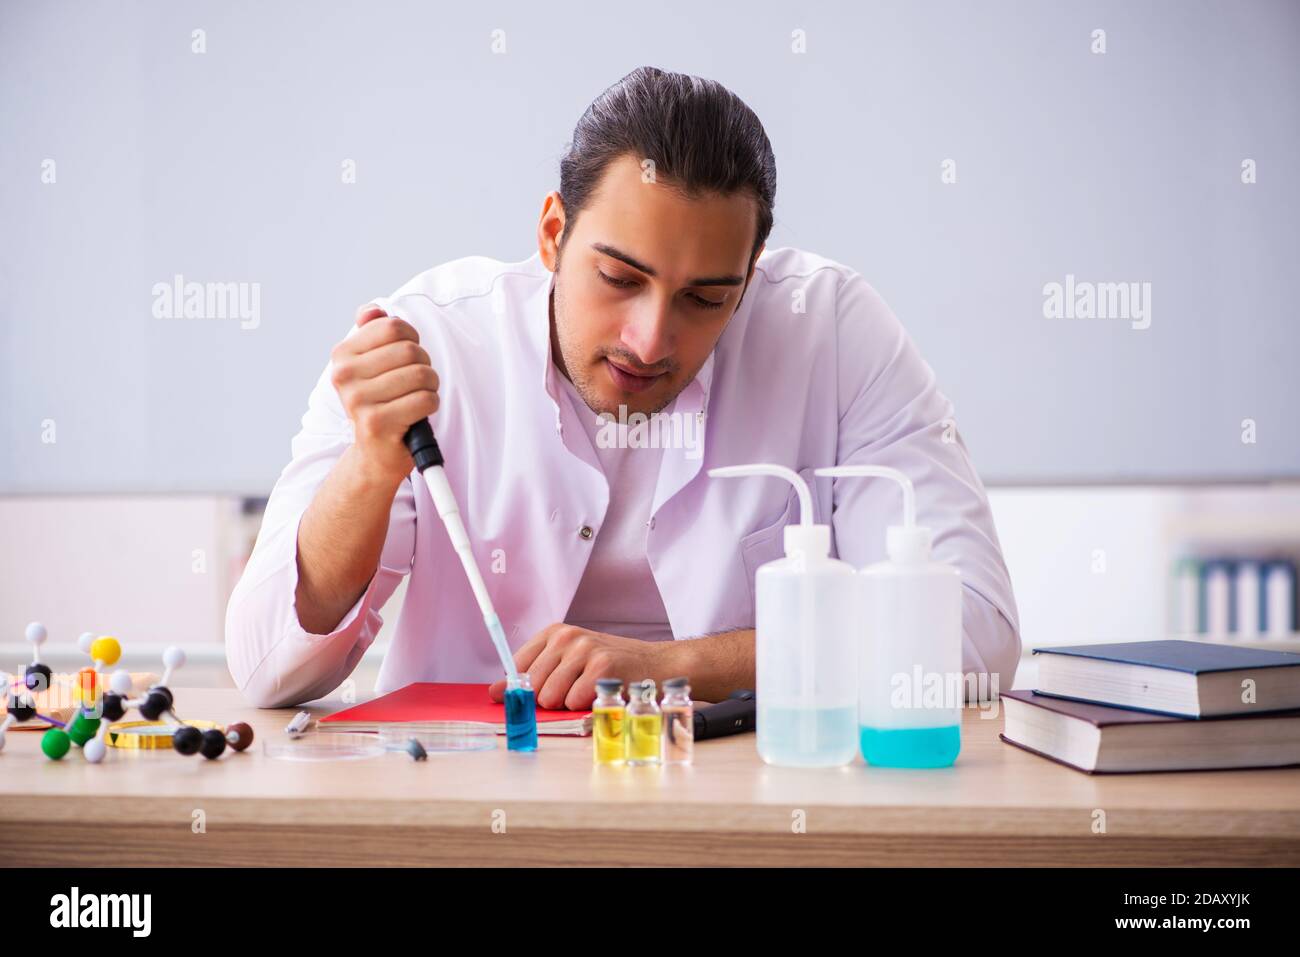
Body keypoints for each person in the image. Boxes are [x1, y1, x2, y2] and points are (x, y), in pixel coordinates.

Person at [226, 66, 1020, 710]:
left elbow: (973, 638)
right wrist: (369, 468)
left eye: (706, 298)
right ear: (551, 235)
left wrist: (675, 665)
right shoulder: (426, 342)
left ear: (751, 274)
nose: (649, 339)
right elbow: (268, 667)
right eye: (618, 277)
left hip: (746, 801)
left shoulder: (834, 331)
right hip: (467, 802)